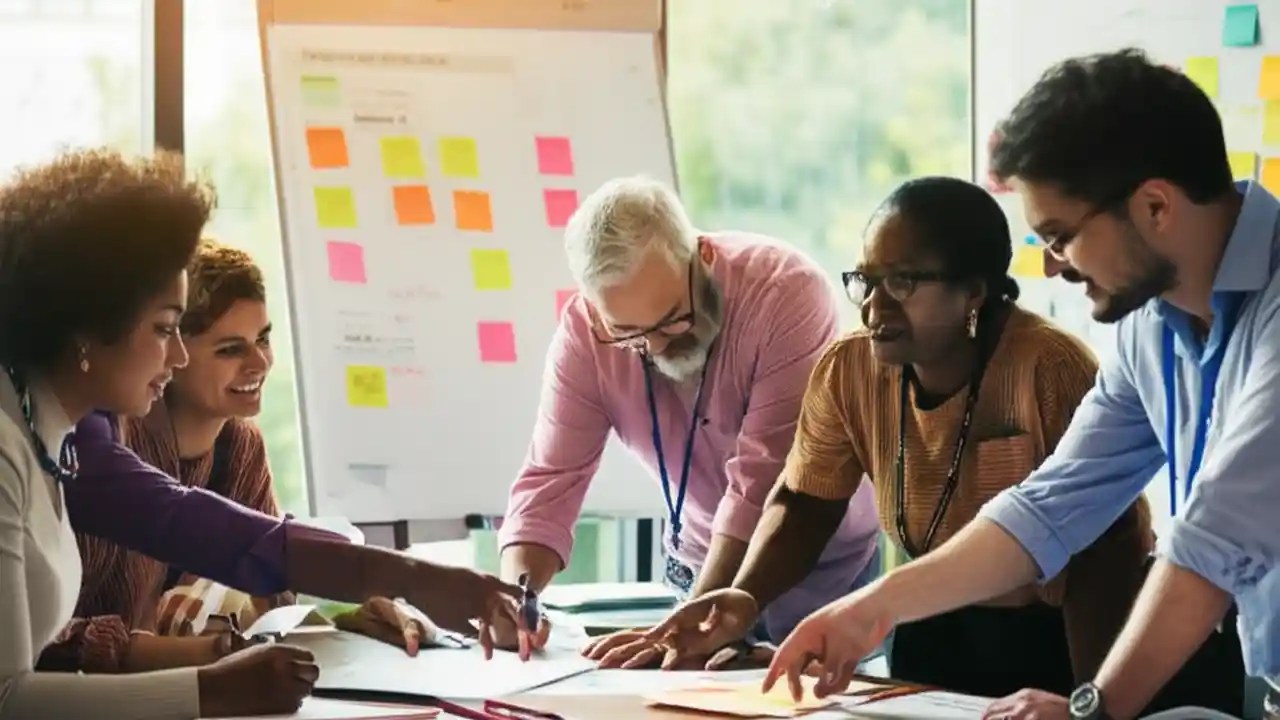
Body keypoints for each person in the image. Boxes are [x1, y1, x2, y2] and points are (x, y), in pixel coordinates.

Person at [761, 49, 1264, 720]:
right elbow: (1048, 508)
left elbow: (1212, 540)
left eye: (1059, 237)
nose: (1053, 269)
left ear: (1154, 207)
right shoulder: (1153, 325)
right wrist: (868, 610)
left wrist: (1095, 709)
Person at [0, 149, 521, 720]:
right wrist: (210, 689)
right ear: (89, 323)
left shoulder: (49, 435)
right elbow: (10, 694)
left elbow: (260, 570)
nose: (173, 355)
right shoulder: (42, 444)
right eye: (164, 329)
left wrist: (372, 598)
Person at [643, 176, 1164, 699]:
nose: (874, 308)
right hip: (931, 617)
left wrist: (1092, 700)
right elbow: (805, 501)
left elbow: (1108, 551)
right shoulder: (849, 368)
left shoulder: (1049, 367)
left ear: (973, 292)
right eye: (866, 281)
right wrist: (745, 597)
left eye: (904, 283)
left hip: (1072, 634)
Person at [498, 176, 881, 663]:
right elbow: (550, 480)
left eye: (671, 319)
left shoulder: (786, 292)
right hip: (700, 565)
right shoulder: (585, 332)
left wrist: (700, 622)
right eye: (629, 334)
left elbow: (762, 478)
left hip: (820, 570)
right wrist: (517, 599)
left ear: (703, 257)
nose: (656, 346)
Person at [38, 240, 422, 676]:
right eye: (230, 349)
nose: (259, 361)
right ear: (172, 354)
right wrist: (201, 653)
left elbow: (271, 589)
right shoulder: (105, 444)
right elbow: (39, 639)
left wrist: (345, 617)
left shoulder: (240, 446)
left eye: (263, 338)